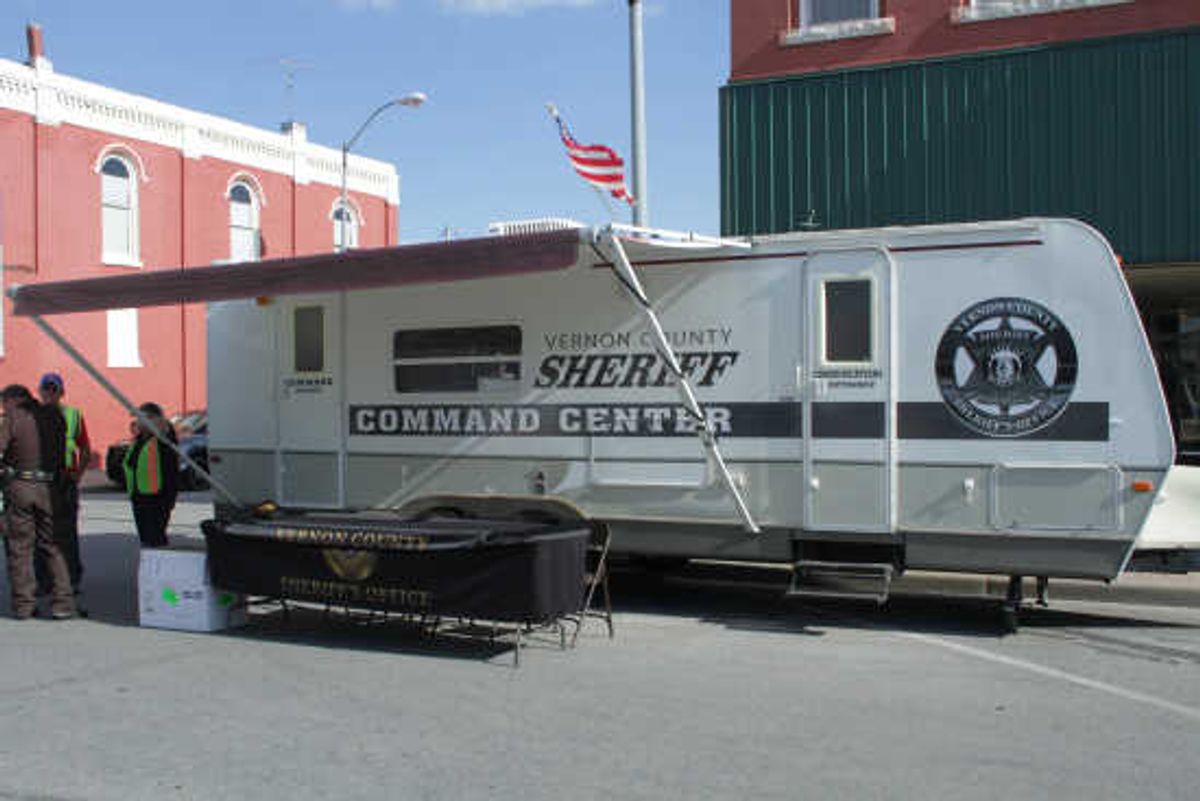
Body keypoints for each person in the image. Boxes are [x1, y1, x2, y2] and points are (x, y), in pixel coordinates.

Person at [0, 384, 75, 619]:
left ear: (13, 400)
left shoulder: (14, 418)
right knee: (54, 545)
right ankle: (63, 603)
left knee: (20, 547)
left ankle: (24, 605)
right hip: (51, 488)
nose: (3, 408)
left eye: (4, 403)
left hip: (21, 487)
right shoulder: (55, 416)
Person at [34, 372, 90, 607]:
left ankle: (72, 579)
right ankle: (43, 581)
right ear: (39, 391)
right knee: (39, 534)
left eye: (53, 389)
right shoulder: (32, 416)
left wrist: (78, 475)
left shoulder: (73, 415)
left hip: (65, 481)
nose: (49, 393)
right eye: (46, 388)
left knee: (66, 533)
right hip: (40, 482)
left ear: (61, 392)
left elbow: (85, 448)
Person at [124, 403, 178, 548]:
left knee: (155, 538)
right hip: (138, 495)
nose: (137, 422)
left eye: (141, 418)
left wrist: (170, 498)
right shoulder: (140, 439)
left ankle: (158, 559)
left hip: (157, 497)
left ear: (154, 419)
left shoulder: (163, 439)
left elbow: (171, 469)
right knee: (145, 538)